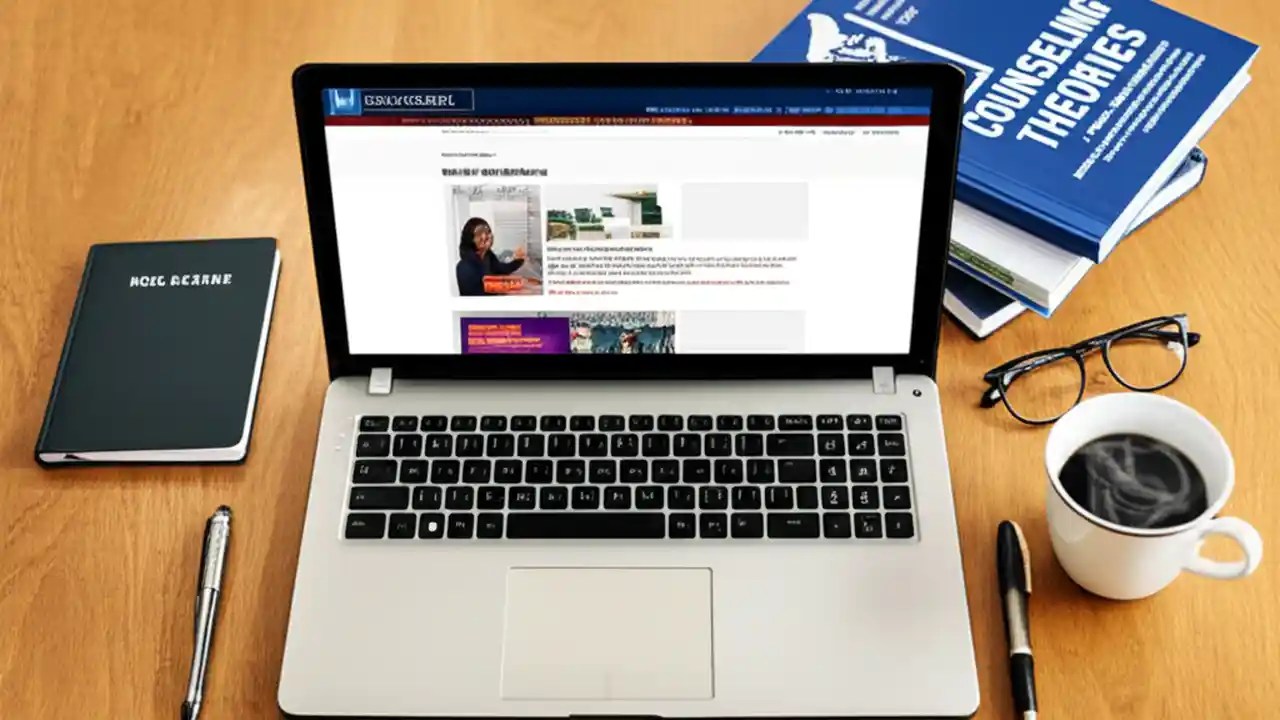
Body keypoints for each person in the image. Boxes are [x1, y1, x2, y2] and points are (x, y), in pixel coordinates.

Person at [455, 217, 529, 296]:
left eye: (488, 232)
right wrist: (507, 288)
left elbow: (502, 269)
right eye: (479, 233)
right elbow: (479, 297)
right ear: (470, 238)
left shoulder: (488, 255)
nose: (486, 236)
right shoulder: (464, 267)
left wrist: (520, 260)